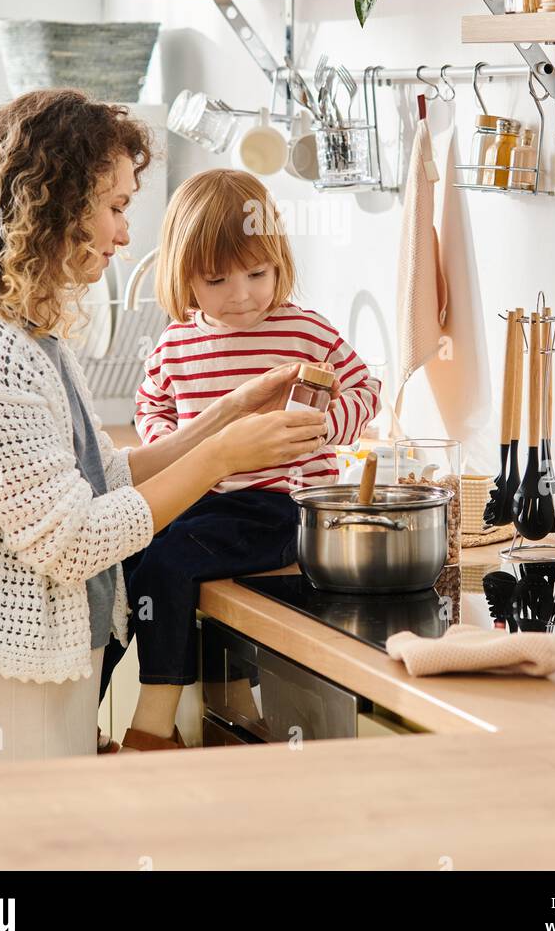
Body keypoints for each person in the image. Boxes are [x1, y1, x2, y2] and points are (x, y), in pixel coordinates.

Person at [0, 91, 325, 766]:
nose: (123, 234)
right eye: (114, 208)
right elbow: (75, 539)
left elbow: (101, 481)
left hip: (40, 692)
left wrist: (225, 415)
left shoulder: (27, 338)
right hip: (2, 706)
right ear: (52, 208)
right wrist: (221, 455)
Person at [102, 168, 380, 751]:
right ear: (184, 278)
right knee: (123, 564)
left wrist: (324, 427)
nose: (242, 294)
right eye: (217, 279)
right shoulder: (176, 342)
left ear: (279, 262)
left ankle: (152, 725)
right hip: (202, 502)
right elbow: (152, 408)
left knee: (169, 563)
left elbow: (365, 389)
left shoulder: (304, 331)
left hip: (281, 508)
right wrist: (174, 441)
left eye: (258, 273)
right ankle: (85, 708)